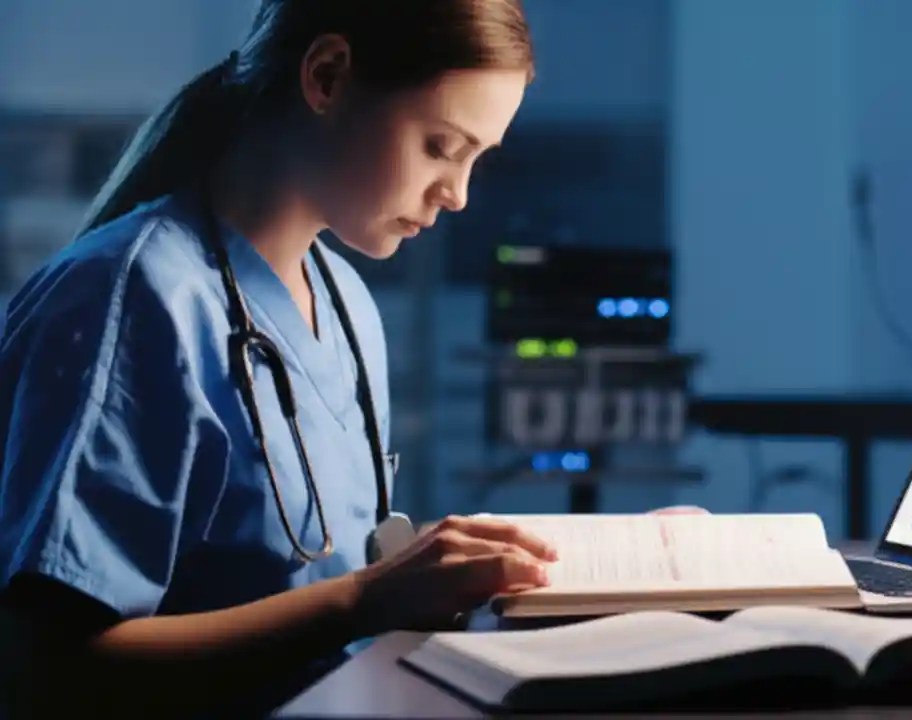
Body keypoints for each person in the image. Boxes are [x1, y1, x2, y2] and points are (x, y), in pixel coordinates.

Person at [0, 1, 698, 716]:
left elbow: (321, 567)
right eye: (440, 146)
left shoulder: (344, 302)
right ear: (327, 77)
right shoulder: (129, 302)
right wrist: (366, 599)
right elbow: (47, 674)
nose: (456, 195)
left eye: (475, 160)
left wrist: (522, 562)